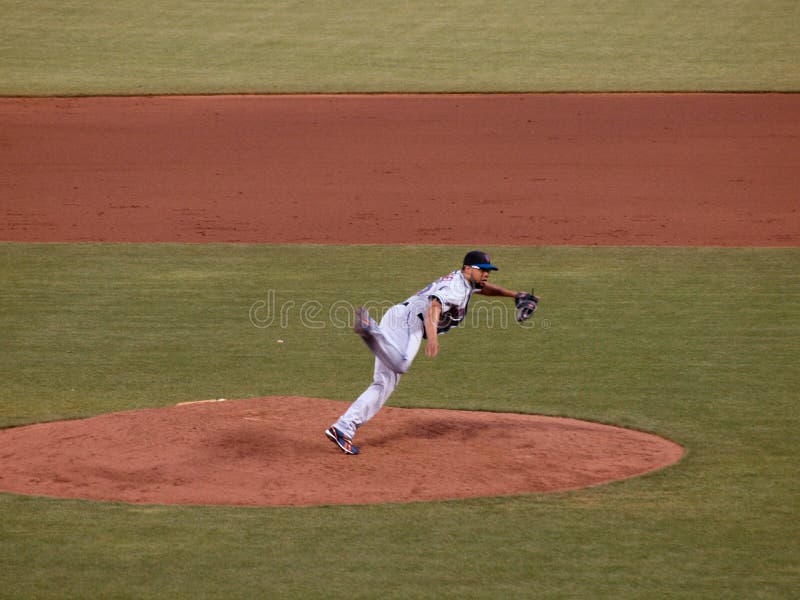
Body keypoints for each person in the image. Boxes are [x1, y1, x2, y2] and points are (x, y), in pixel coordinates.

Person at [325, 250, 536, 455]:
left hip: (400, 317)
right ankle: (370, 329)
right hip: (410, 322)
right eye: (482, 270)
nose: (486, 273)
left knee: (383, 383)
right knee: (402, 364)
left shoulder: (466, 283)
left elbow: (485, 288)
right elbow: (434, 308)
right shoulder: (456, 288)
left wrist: (514, 295)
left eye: (488, 270)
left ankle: (343, 428)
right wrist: (433, 337)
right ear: (468, 269)